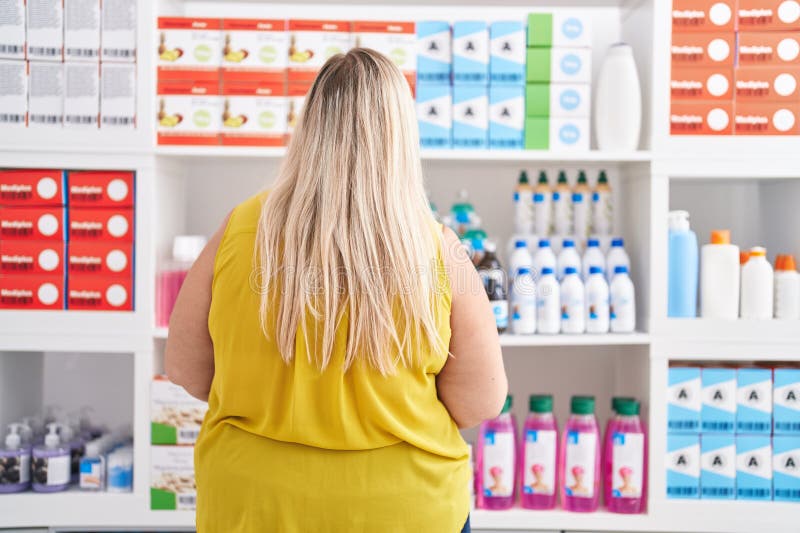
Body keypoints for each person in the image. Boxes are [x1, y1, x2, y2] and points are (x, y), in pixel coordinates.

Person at [165, 48, 507, 533]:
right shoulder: (438, 248)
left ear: (309, 128)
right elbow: (480, 403)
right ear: (401, 137)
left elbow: (185, 369)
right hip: (406, 510)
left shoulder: (239, 230)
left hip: (253, 508)